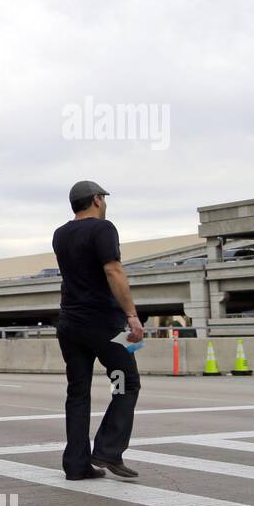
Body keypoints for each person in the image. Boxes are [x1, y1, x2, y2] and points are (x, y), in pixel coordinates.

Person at [52, 181, 143, 480]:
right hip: (104, 325)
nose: (105, 203)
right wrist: (131, 315)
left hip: (70, 325)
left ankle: (76, 465)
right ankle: (108, 449)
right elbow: (113, 269)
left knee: (78, 392)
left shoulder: (60, 234)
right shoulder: (103, 229)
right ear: (96, 199)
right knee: (125, 382)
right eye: (103, 198)